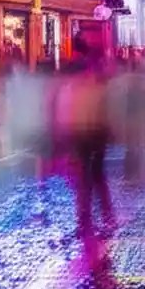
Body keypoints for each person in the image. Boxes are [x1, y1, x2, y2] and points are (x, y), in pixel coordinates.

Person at [56, 39, 113, 235]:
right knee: (94, 177)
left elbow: (64, 114)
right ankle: (100, 214)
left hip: (84, 135)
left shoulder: (72, 88)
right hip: (91, 135)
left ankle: (88, 217)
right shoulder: (95, 86)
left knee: (87, 178)